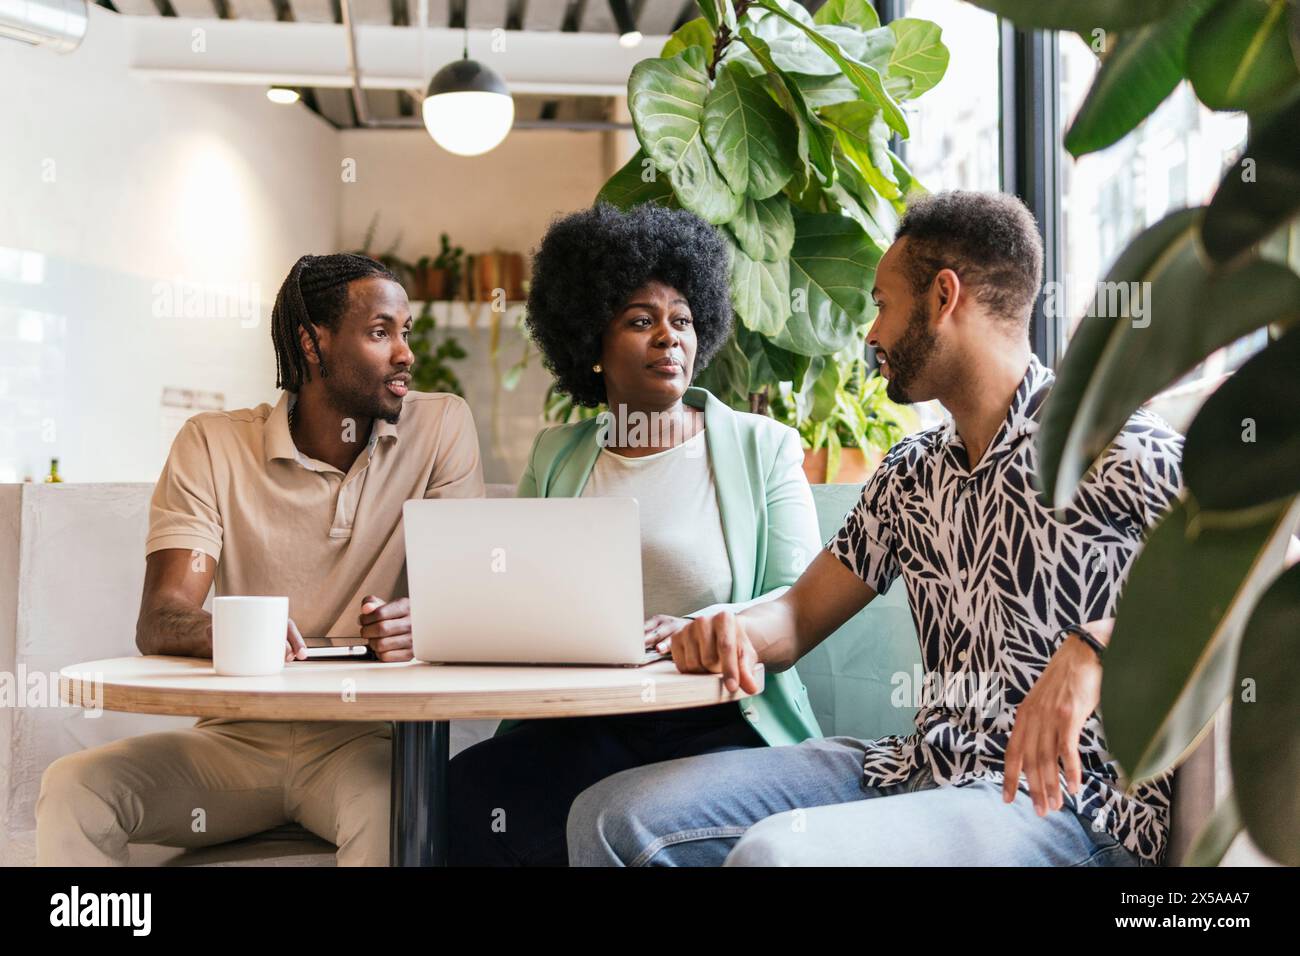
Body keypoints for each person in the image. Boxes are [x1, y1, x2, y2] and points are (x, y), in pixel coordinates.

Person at [566, 191, 1185, 867]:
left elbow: (1265, 569)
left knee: (778, 857)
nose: (870, 332)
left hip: (1065, 803)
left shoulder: (1110, 441)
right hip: (920, 770)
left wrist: (1096, 645)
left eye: (884, 304)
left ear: (943, 297)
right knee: (610, 818)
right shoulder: (911, 473)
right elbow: (799, 615)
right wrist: (727, 629)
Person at [36, 253, 484, 866]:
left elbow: (468, 603)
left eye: (405, 333)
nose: (405, 353)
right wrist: (245, 632)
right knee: (74, 787)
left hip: (365, 746)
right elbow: (162, 618)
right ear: (312, 342)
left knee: (393, 822)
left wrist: (423, 620)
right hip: (233, 745)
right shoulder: (213, 443)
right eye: (381, 333)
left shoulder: (440, 428)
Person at [447, 203, 825, 865]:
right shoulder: (558, 453)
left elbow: (798, 598)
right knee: (465, 791)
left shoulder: (764, 448)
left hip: (715, 720)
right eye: (641, 320)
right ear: (592, 342)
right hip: (585, 721)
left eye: (681, 320)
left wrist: (704, 625)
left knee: (612, 819)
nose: (668, 337)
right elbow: (518, 596)